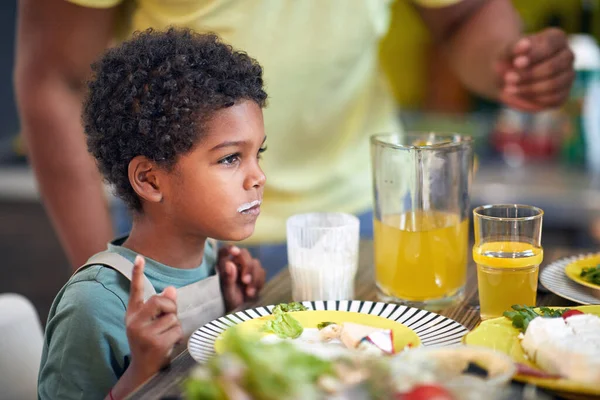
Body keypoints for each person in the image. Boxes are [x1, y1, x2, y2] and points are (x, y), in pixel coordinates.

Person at [14, 0, 575, 276]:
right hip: (179, 243)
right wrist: (105, 277)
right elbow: (56, 78)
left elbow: (464, 15)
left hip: (366, 226)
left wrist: (512, 65)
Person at [37, 28, 267, 400]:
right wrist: (140, 372)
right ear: (150, 180)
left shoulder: (211, 261)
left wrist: (237, 310)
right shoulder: (93, 305)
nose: (258, 177)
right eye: (230, 159)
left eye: (259, 153)